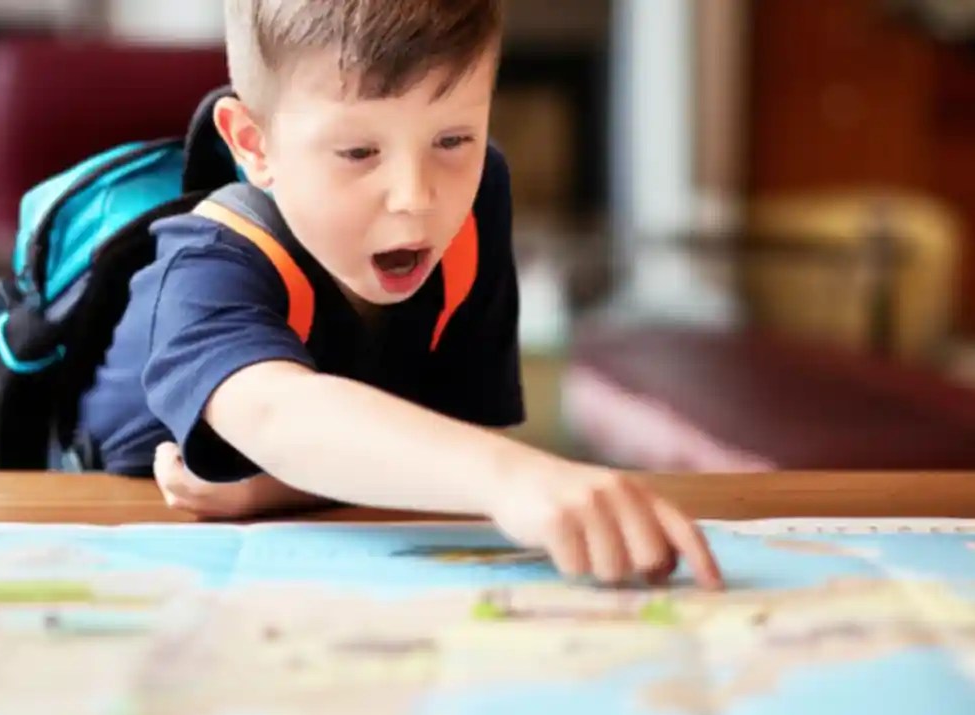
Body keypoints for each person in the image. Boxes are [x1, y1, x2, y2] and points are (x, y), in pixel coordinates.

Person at [79, 0, 723, 589]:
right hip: (97, 532)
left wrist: (270, 491)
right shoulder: (206, 261)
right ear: (253, 143)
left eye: (453, 140)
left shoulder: (478, 201)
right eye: (359, 151)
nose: (416, 196)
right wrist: (516, 475)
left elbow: (459, 428)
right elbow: (273, 412)